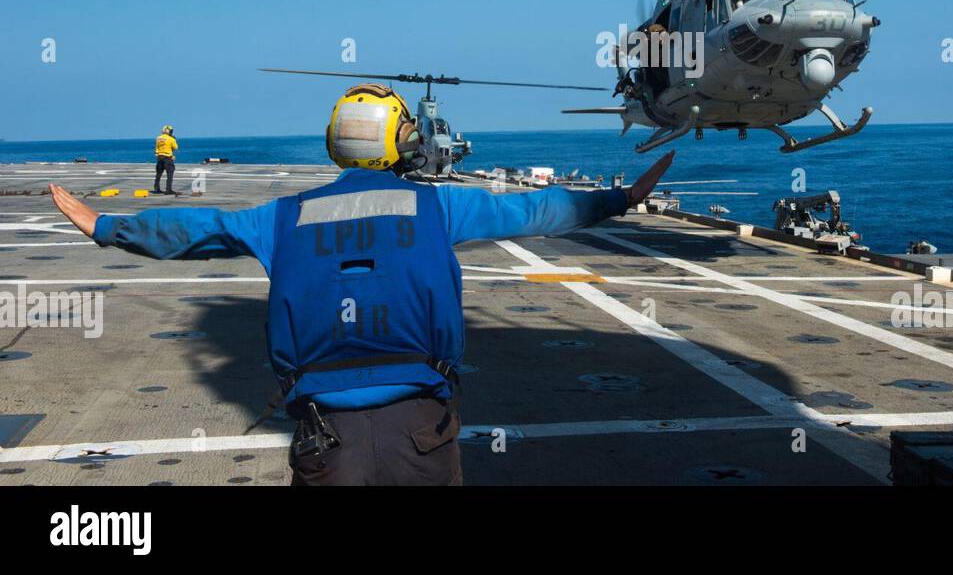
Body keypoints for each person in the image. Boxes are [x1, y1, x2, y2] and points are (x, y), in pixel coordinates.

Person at [50, 83, 674, 486]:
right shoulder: (438, 208)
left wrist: (107, 226)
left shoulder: (283, 217)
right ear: (401, 140)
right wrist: (617, 199)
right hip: (421, 429)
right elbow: (539, 212)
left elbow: (196, 230)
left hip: (326, 436)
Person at [154, 124, 178, 195]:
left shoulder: (158, 138)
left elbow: (157, 147)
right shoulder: (171, 139)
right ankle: (168, 190)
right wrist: (174, 140)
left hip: (159, 157)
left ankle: (157, 188)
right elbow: (175, 147)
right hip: (167, 158)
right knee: (170, 173)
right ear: (168, 131)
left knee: (158, 173)